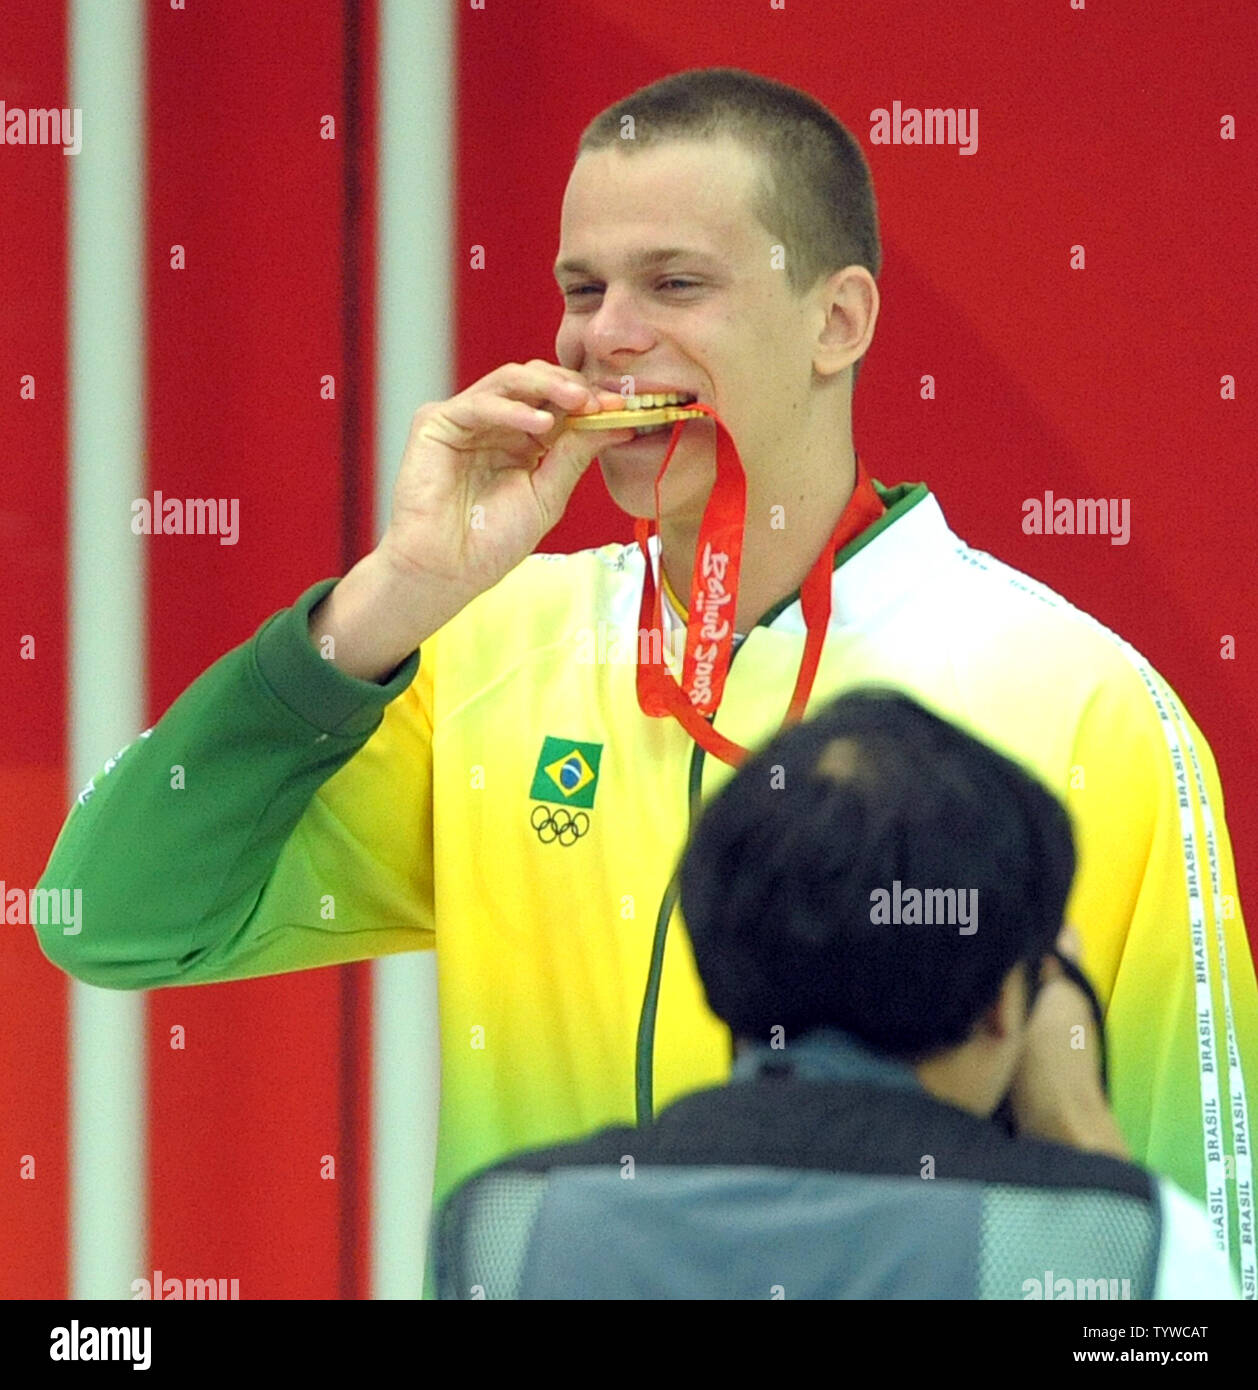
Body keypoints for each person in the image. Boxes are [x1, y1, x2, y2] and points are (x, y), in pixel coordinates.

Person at [33, 68, 1256, 1293]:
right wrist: (387, 599)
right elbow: (116, 921)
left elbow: (1192, 1249)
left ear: (838, 320)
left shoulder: (1079, 697)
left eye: (674, 283)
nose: (603, 335)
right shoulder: (481, 649)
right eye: (581, 289)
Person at [434, 688, 1239, 1300]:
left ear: (719, 966)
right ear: (1004, 1006)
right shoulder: (1122, 1248)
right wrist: (1080, 1133)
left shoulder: (507, 1225)